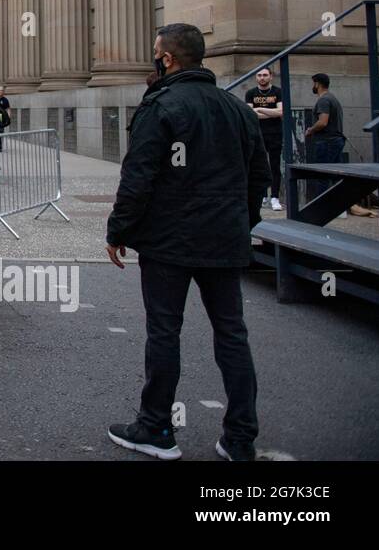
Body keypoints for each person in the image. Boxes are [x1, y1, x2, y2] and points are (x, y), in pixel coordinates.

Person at [105, 23, 268, 462]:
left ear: (168, 59)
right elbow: (259, 177)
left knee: (164, 331)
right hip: (223, 237)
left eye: (157, 53)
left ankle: (156, 426)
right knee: (232, 334)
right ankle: (240, 439)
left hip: (169, 240)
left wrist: (118, 230)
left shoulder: (160, 106)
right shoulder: (236, 108)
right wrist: (241, 221)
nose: (154, 58)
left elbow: (137, 177)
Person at [245, 67, 284, 210]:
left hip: (275, 134)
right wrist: (271, 112)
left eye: (265, 75)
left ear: (271, 77)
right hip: (258, 134)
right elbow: (250, 114)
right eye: (259, 75)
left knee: (274, 166)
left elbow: (281, 112)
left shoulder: (278, 92)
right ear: (256, 77)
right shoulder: (251, 93)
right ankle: (262, 196)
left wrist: (260, 109)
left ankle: (274, 197)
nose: (262, 78)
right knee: (258, 166)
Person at [303, 72, 346, 201]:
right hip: (336, 140)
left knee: (323, 176)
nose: (313, 86)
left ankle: (322, 205)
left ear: (317, 84)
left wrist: (311, 130)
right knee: (336, 175)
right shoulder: (333, 99)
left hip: (327, 142)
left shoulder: (324, 100)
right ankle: (339, 205)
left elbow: (322, 122)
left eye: (313, 83)